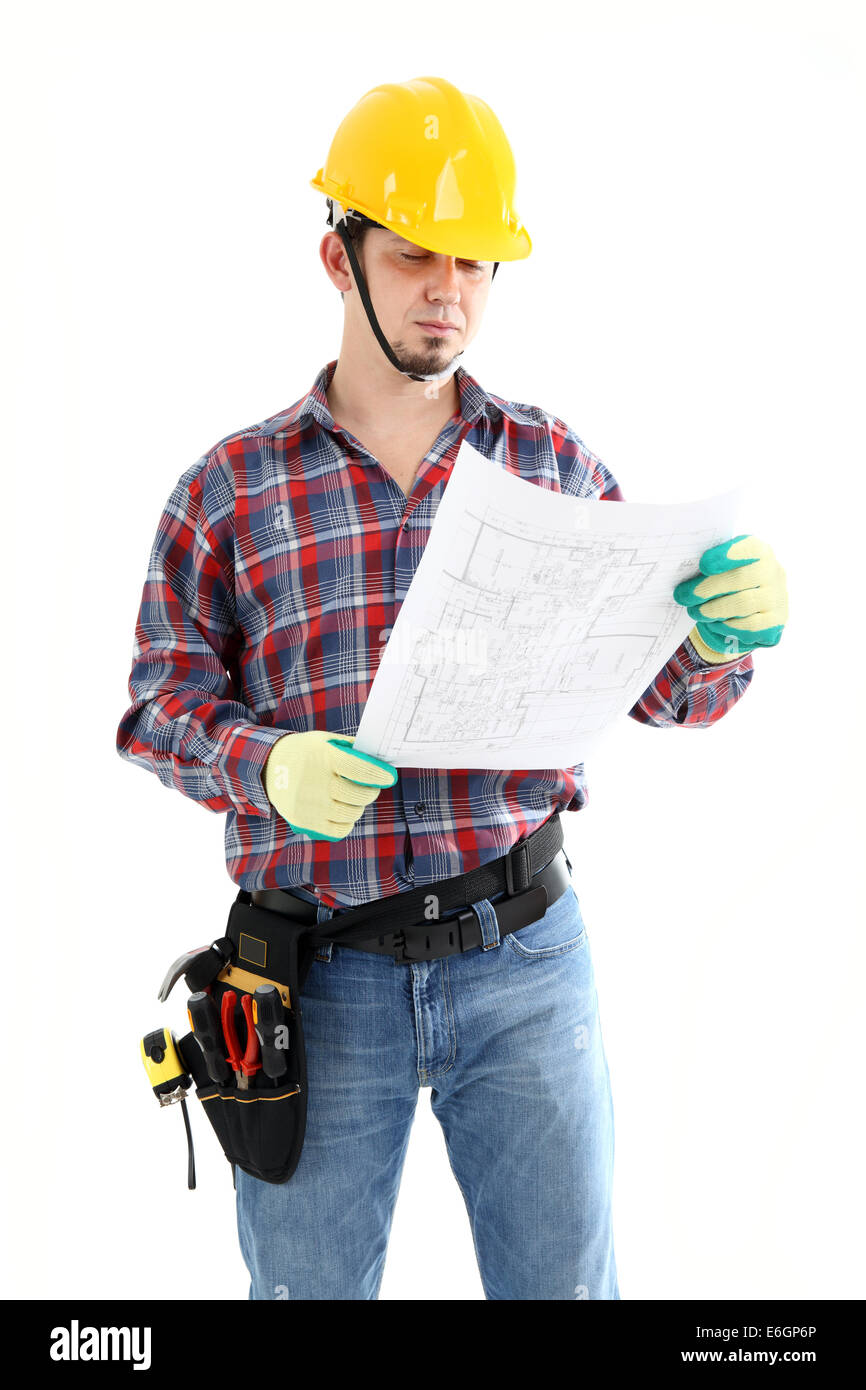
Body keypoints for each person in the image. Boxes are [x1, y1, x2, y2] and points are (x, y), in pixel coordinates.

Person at [116, 75, 788, 1301]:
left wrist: (719, 635)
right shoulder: (229, 488)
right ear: (338, 256)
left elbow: (664, 695)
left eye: (476, 262)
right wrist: (263, 763)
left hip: (525, 961)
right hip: (319, 983)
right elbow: (154, 706)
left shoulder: (548, 463)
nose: (449, 290)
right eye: (418, 253)